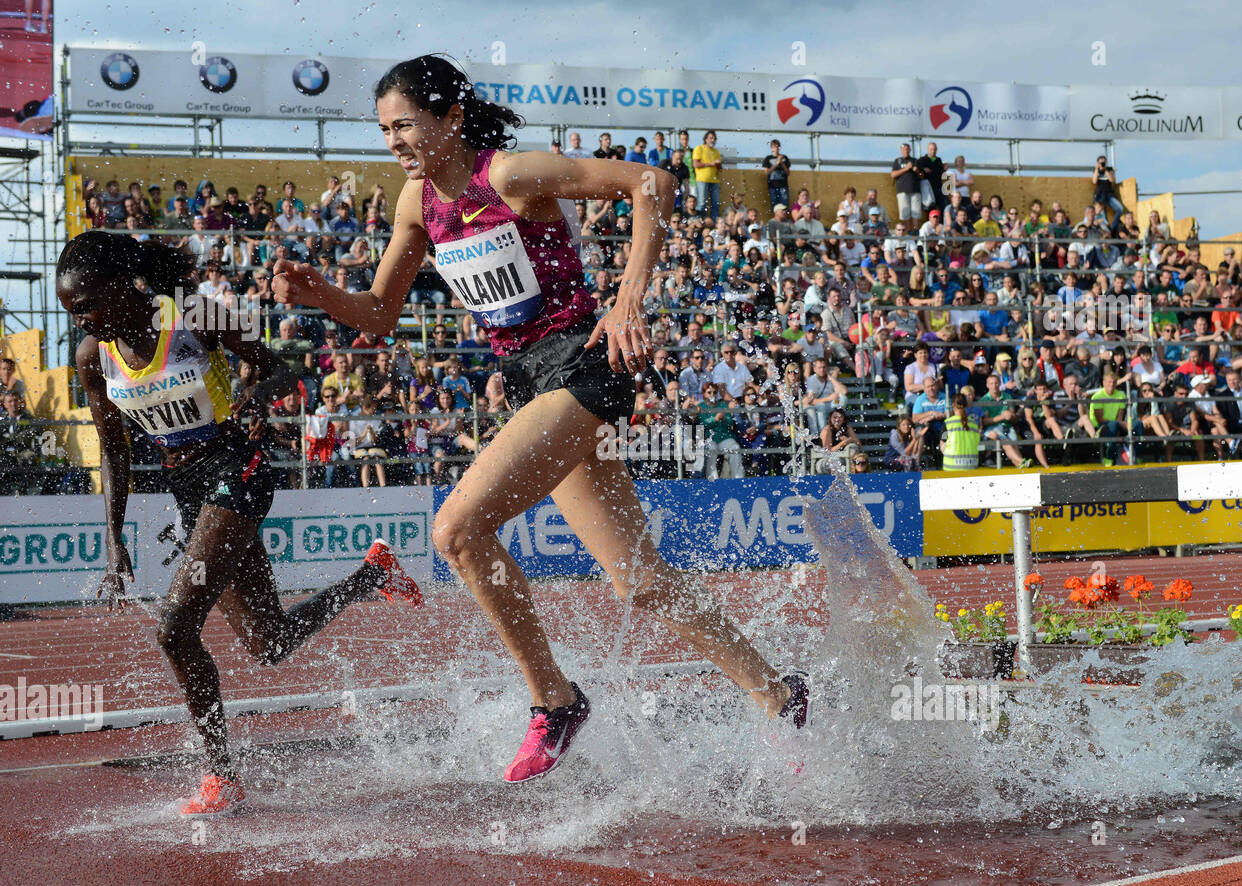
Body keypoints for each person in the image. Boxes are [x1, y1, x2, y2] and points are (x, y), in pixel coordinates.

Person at [270, 55, 807, 784]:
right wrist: (322, 296)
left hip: (582, 370)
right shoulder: (415, 203)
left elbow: (653, 183)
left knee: (457, 531)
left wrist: (629, 297)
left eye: (405, 125)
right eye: (385, 130)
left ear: (450, 118)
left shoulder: (510, 175)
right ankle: (780, 694)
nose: (394, 142)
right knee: (640, 580)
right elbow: (381, 313)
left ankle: (554, 700)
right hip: (536, 388)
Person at [55, 231, 422, 816]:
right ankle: (370, 576)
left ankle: (221, 776)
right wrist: (113, 538)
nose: (81, 320)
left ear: (124, 285)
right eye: (72, 311)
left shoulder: (191, 316)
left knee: (174, 627)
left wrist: (254, 398)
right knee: (268, 642)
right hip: (188, 488)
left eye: (87, 305)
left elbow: (282, 371)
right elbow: (113, 450)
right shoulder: (91, 357)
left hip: (236, 467)